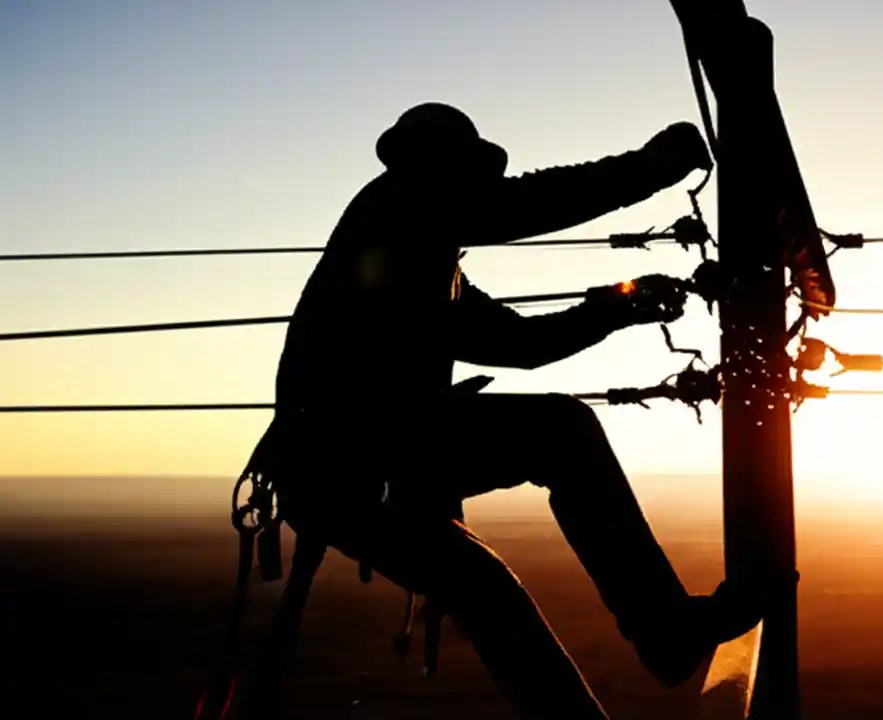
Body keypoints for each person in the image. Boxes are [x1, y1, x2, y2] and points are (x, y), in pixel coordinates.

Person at [255, 103, 762, 719]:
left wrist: (616, 307)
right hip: (357, 459)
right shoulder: (400, 203)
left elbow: (524, 346)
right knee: (563, 434)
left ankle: (657, 641)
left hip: (350, 471)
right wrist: (650, 169)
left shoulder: (430, 265)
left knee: (487, 590)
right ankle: (664, 629)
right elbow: (535, 204)